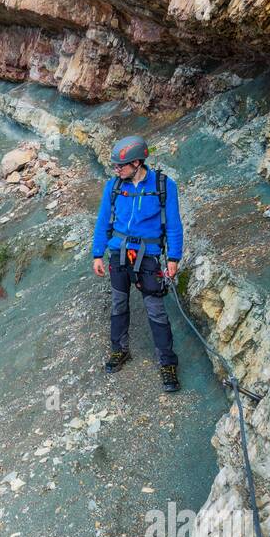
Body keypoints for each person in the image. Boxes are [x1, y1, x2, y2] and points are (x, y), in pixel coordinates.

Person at [91, 135, 183, 392]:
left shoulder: (164, 186)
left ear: (138, 162)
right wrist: (98, 253)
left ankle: (167, 362)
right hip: (118, 253)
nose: (116, 170)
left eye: (121, 166)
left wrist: (174, 258)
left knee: (155, 309)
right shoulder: (113, 186)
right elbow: (103, 221)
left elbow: (174, 225)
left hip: (149, 257)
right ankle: (120, 350)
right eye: (115, 166)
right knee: (119, 302)